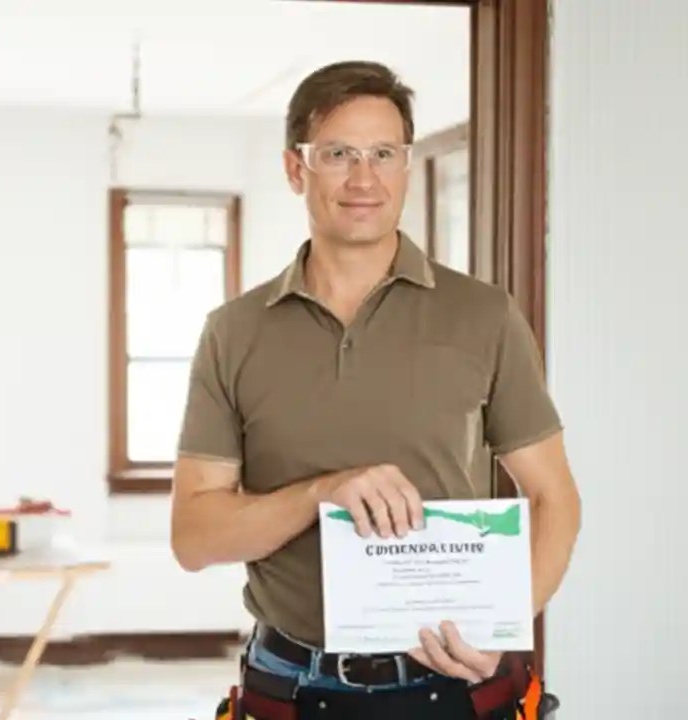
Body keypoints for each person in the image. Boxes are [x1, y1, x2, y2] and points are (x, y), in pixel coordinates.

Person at [169, 60, 581, 719]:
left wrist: (506, 619)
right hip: (291, 688)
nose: (364, 179)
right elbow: (195, 536)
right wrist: (320, 492)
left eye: (384, 153)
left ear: (406, 166)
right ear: (295, 168)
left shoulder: (484, 315)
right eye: (338, 153)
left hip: (454, 689)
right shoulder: (233, 332)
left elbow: (553, 495)